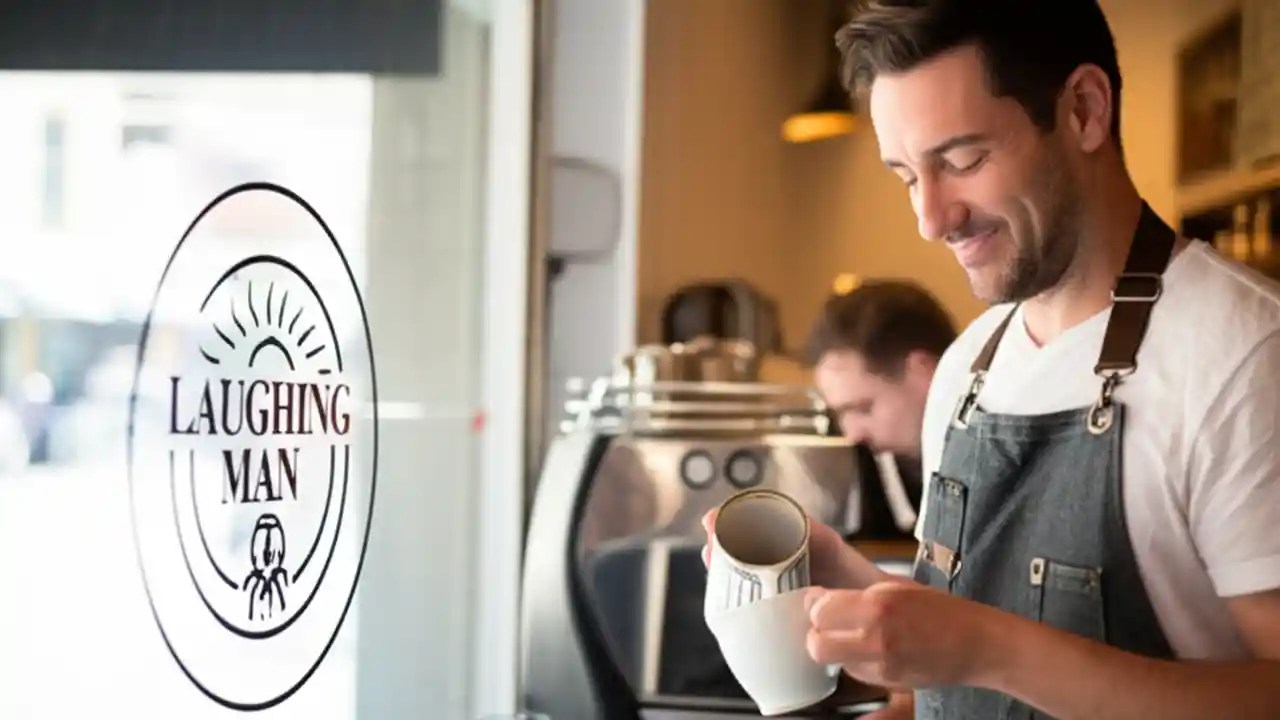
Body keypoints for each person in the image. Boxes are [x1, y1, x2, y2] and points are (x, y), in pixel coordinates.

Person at [703, 1, 1280, 718]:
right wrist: (851, 587)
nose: (931, 219)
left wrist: (989, 648)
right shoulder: (969, 366)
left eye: (962, 159)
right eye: (908, 176)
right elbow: (960, 665)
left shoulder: (1244, 358)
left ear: (1084, 110)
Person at [805, 281, 957, 535]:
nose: (852, 434)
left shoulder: (1004, 459)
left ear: (925, 371)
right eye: (839, 413)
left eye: (863, 408)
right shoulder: (856, 471)